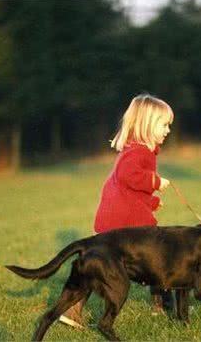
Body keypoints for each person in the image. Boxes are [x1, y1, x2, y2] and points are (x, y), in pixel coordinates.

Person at [59, 93, 174, 329]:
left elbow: (128, 191)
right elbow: (128, 176)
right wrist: (155, 181)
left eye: (169, 125)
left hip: (113, 220)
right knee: (160, 257)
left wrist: (152, 203)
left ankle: (71, 311)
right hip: (127, 225)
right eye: (164, 124)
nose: (168, 130)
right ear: (147, 125)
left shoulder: (134, 149)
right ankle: (163, 306)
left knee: (98, 267)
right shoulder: (140, 152)